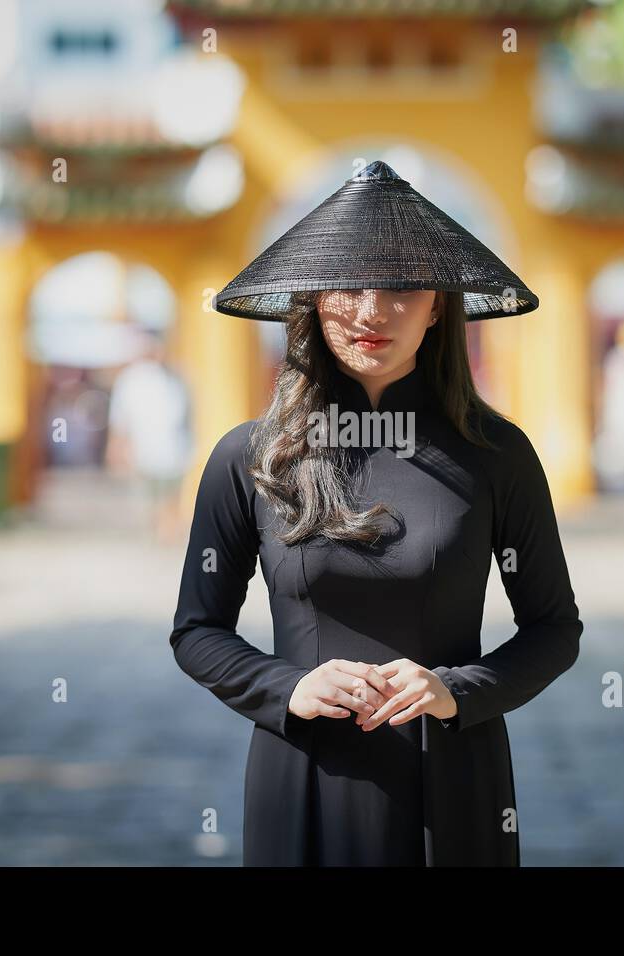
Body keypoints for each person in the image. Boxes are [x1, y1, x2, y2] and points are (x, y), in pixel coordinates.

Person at [169, 161, 583, 866]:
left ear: (438, 305)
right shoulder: (251, 457)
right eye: (347, 286)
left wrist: (456, 689)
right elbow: (197, 631)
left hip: (455, 778)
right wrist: (289, 685)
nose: (369, 311)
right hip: (300, 773)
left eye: (399, 288)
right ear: (311, 298)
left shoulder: (497, 453)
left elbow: (554, 629)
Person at [106, 327, 193, 544]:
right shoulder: (131, 379)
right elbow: (121, 420)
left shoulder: (175, 377)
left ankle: (168, 528)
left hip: (173, 446)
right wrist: (117, 448)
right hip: (146, 447)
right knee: (152, 492)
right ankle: (160, 528)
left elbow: (187, 413)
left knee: (170, 490)